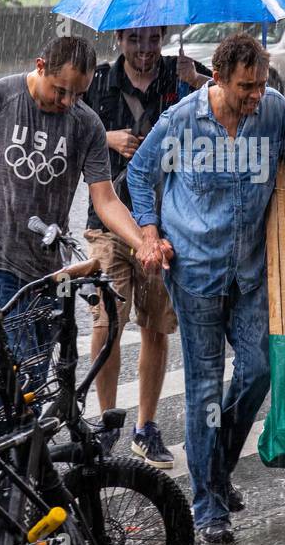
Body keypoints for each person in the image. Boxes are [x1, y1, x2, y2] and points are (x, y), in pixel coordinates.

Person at [126, 33, 285, 543]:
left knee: (259, 369)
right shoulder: (182, 120)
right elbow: (139, 173)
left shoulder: (274, 111)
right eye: (245, 87)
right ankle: (208, 503)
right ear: (218, 78)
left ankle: (216, 464)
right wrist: (150, 232)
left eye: (259, 85)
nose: (254, 95)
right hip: (194, 272)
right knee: (205, 387)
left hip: (251, 273)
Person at [0, 36, 170, 413]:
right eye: (60, 91)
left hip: (48, 266)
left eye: (78, 94)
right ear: (40, 65)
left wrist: (142, 240)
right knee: (24, 368)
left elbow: (105, 198)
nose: (67, 102)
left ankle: (1, 451)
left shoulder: (86, 124)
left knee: (33, 375)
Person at [82, 26, 211, 464]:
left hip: (164, 223)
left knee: (156, 324)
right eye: (135, 41)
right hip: (107, 221)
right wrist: (107, 138)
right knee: (107, 322)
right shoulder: (98, 82)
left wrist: (196, 82)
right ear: (119, 41)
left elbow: (235, 97)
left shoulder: (181, 78)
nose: (144, 51)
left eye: (153, 40)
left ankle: (146, 425)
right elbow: (66, 120)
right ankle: (106, 420)